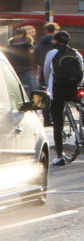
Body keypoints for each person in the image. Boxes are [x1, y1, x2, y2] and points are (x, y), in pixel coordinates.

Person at [44, 31, 83, 165]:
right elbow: (81, 71)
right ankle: (81, 133)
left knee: (58, 123)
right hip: (73, 90)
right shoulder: (76, 53)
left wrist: (46, 84)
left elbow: (46, 72)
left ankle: (60, 156)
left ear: (56, 41)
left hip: (57, 91)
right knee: (80, 109)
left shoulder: (51, 54)